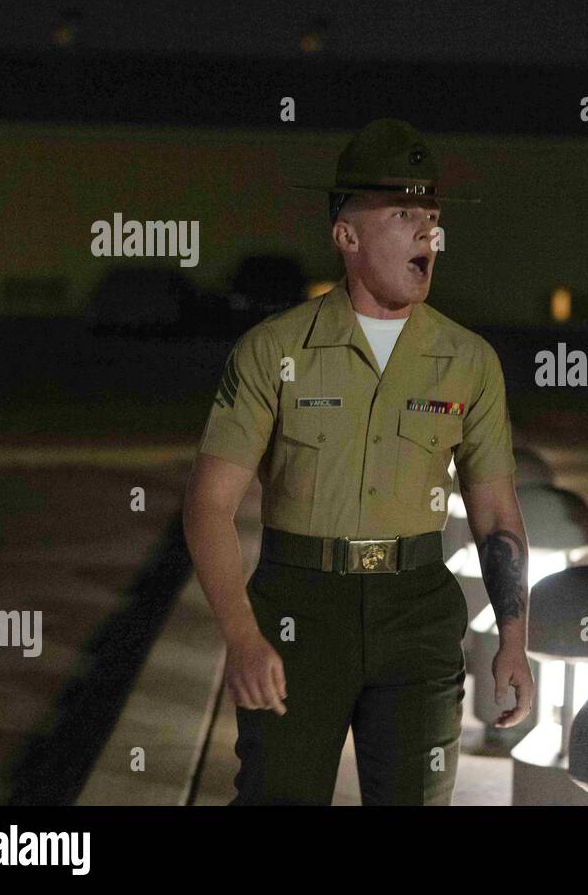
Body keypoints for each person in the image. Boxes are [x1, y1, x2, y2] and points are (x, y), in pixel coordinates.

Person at [182, 119, 535, 805]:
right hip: (298, 612)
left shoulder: (469, 361)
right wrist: (242, 636)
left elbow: (497, 514)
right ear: (346, 236)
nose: (426, 232)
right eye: (404, 214)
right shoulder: (272, 350)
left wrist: (515, 640)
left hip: (418, 610)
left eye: (431, 216)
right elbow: (208, 506)